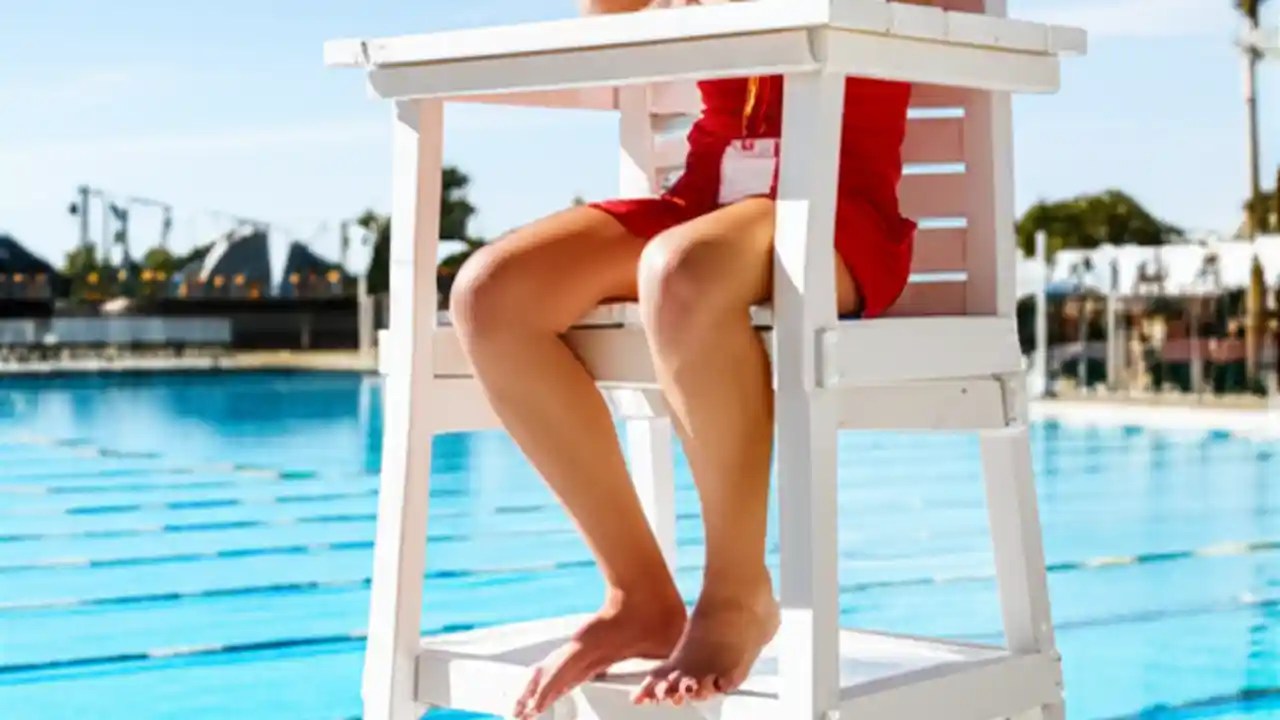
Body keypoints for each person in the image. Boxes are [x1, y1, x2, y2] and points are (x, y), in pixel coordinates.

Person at [448, 1, 918, 716]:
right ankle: (637, 595)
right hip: (702, 201)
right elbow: (606, 15)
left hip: (832, 211)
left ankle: (737, 598)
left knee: (680, 273)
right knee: (492, 296)